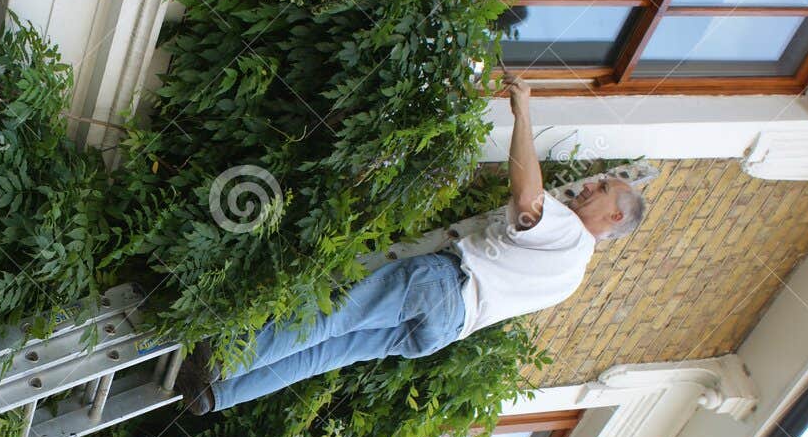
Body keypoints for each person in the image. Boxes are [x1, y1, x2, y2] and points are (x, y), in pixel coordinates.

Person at [182, 75, 646, 413]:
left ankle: (222, 362)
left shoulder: (566, 230)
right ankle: (216, 395)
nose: (588, 187)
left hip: (443, 286)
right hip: (444, 330)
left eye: (601, 189)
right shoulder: (573, 277)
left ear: (616, 216)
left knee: (334, 314)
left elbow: (527, 198)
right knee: (328, 352)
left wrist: (522, 111)